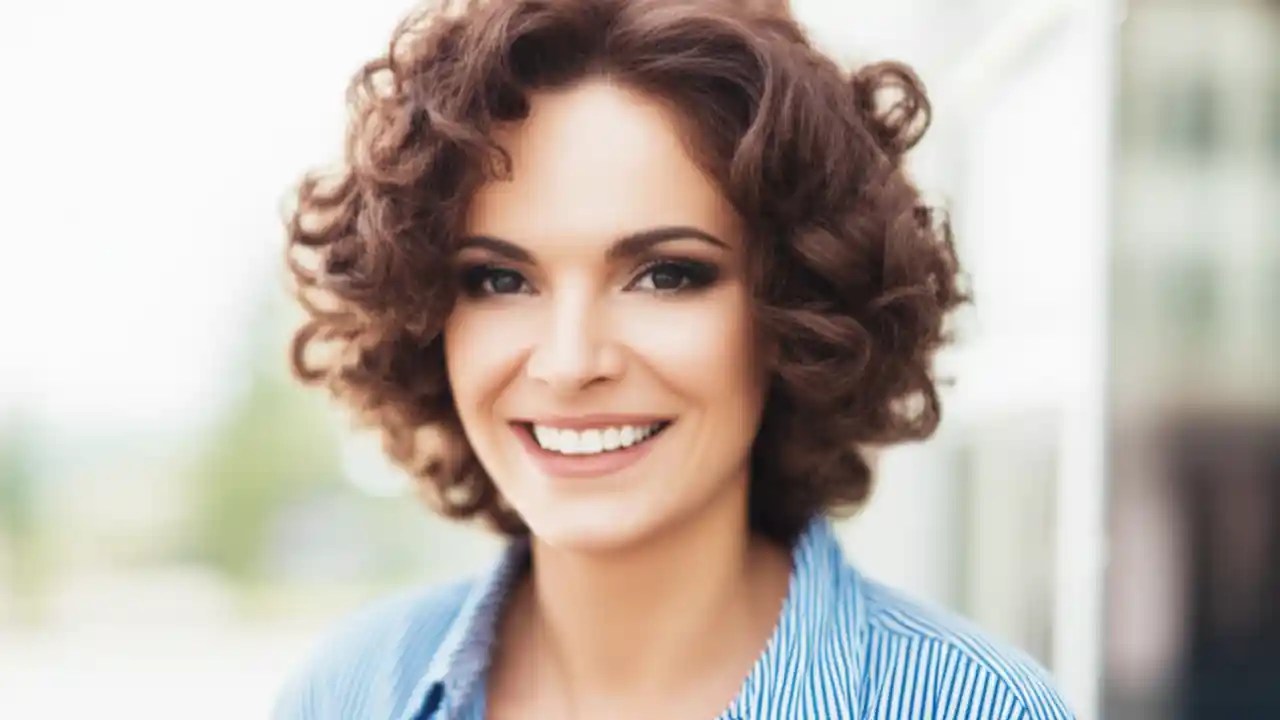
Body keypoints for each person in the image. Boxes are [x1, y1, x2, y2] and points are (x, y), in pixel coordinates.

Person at [275, 0, 1075, 717]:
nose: (569, 361)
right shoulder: (351, 691)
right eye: (500, 279)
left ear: (797, 308)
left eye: (665, 275)